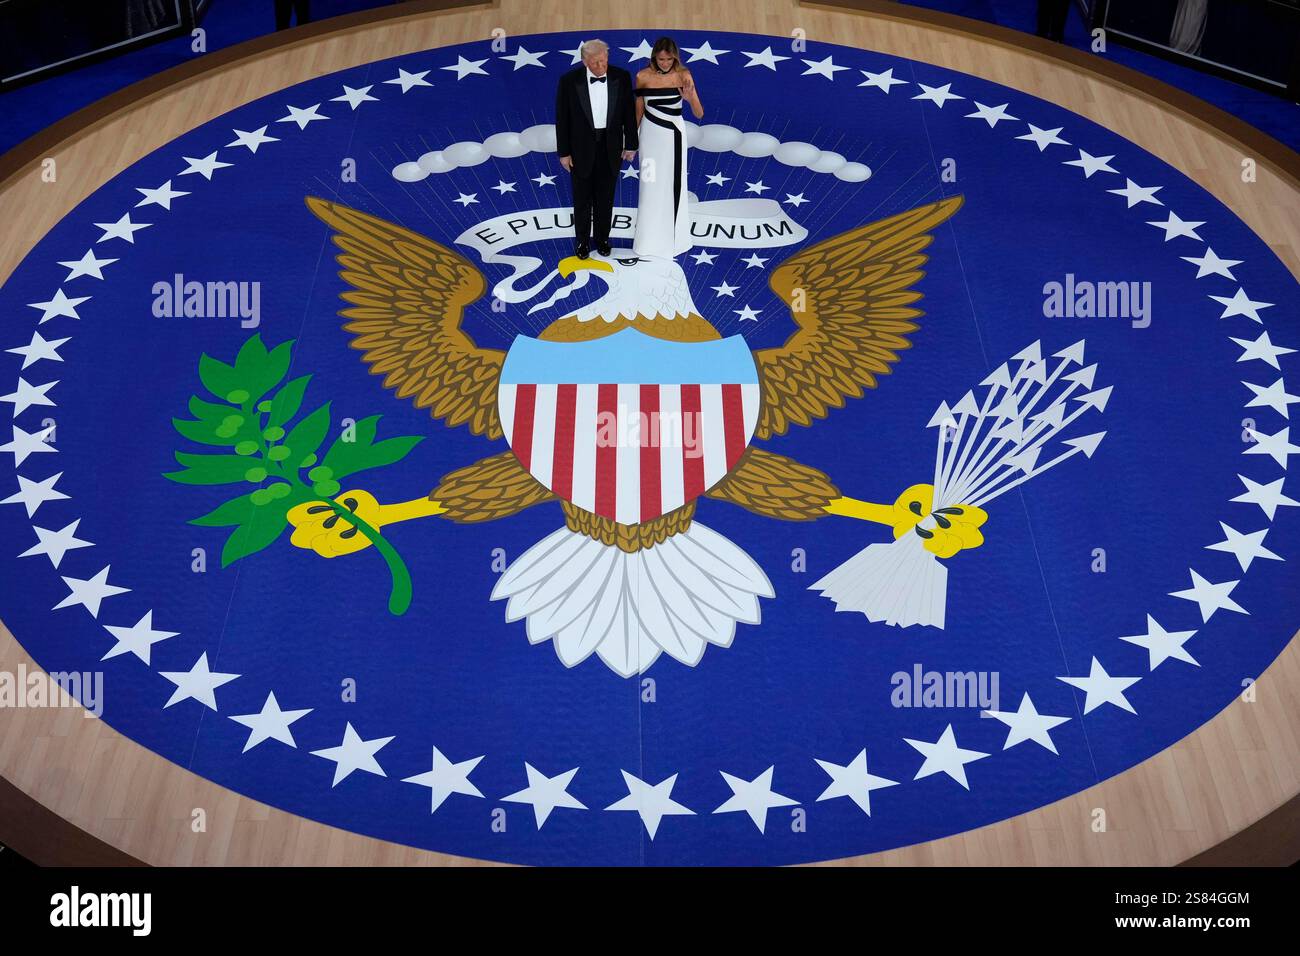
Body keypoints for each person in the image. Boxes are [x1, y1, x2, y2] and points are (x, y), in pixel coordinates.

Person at [555, 39, 638, 258]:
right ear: (584, 62)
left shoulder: (621, 77)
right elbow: (562, 119)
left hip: (611, 149)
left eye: (603, 61)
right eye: (595, 63)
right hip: (580, 150)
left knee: (605, 198)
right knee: (582, 200)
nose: (601, 67)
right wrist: (564, 152)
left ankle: (602, 238)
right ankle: (582, 242)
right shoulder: (569, 81)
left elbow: (629, 114)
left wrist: (631, 144)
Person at [632, 36, 704, 260]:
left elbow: (699, 113)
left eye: (669, 59)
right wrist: (631, 142)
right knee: (649, 184)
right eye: (661, 59)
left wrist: (690, 97)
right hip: (649, 139)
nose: (664, 63)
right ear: (654, 56)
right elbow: (638, 110)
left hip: (673, 138)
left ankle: (675, 240)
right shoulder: (642, 77)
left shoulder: (684, 75)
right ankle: (647, 240)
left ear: (675, 57)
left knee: (674, 185)